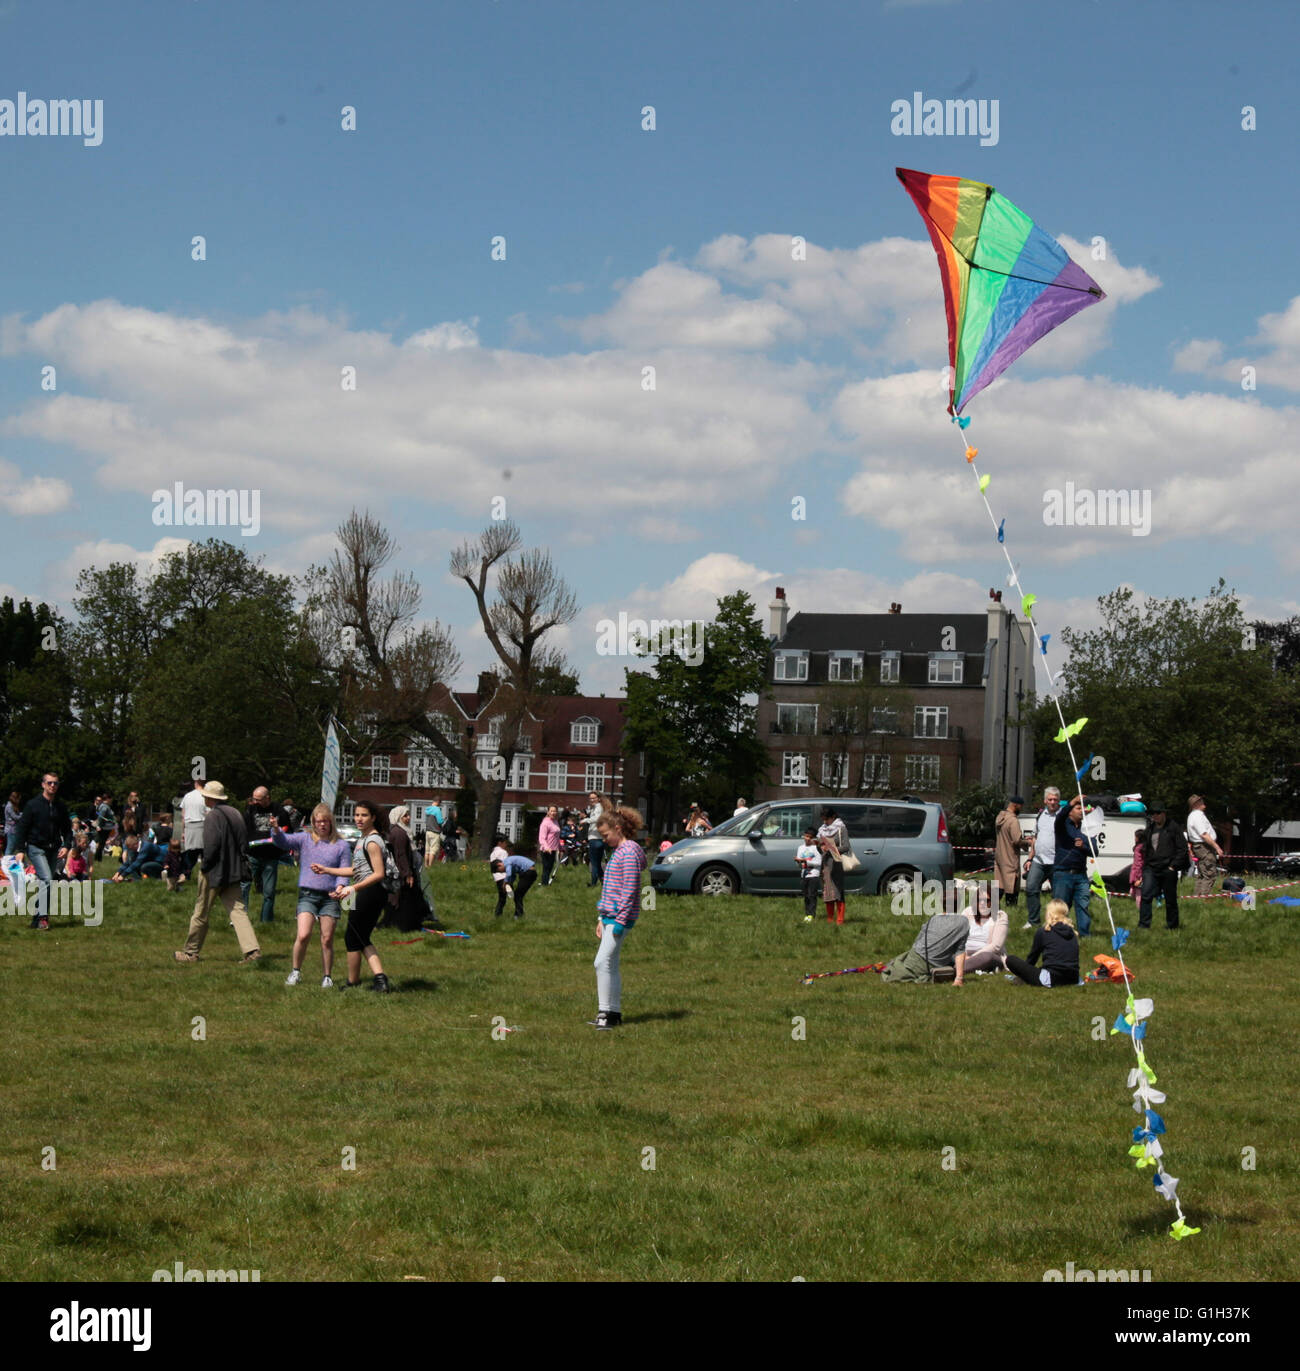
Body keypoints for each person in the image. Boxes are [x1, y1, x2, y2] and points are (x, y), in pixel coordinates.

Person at [174, 781, 260, 964]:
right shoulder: (236, 813)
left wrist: (204, 867)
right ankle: (252, 951)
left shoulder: (213, 816)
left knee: (201, 911)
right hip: (234, 871)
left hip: (214, 873)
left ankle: (190, 952)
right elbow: (243, 842)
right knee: (238, 911)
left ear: (210, 797)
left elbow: (211, 846)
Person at [269, 803, 353, 986]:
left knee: (327, 938)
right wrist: (275, 829)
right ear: (313, 823)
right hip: (307, 894)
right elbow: (283, 841)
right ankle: (295, 972)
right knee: (304, 934)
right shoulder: (305, 839)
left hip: (330, 896)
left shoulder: (341, 845)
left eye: (325, 821)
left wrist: (340, 887)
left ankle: (327, 977)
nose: (322, 825)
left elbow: (345, 870)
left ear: (331, 823)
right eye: (318, 821)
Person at [316, 800, 391, 992]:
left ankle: (353, 982)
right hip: (366, 891)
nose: (359, 818)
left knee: (352, 937)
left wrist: (353, 889)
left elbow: (378, 873)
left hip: (371, 892)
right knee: (361, 936)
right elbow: (357, 870)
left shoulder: (373, 841)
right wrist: (328, 870)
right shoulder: (364, 839)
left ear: (373, 818)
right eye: (357, 814)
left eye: (364, 815)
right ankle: (380, 979)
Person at [588, 805, 648, 1029]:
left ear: (618, 828)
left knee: (601, 962)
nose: (604, 840)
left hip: (619, 918)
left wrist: (620, 921)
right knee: (609, 964)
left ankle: (606, 1012)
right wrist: (600, 918)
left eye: (606, 835)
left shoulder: (629, 852)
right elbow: (610, 890)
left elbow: (630, 890)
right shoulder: (618, 852)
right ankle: (612, 1013)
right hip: (609, 916)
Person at [13, 771, 73, 929]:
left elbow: (68, 829)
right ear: (43, 784)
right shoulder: (33, 805)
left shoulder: (60, 806)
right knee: (46, 879)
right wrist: (20, 849)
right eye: (49, 783)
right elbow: (22, 828)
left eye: (55, 783)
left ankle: (36, 918)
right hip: (36, 848)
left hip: (54, 849)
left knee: (48, 883)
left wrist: (66, 845)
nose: (52, 786)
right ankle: (43, 918)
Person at [242, 785, 292, 924]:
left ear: (267, 798)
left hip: (271, 857)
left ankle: (266, 922)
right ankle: (240, 920)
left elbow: (287, 831)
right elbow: (245, 830)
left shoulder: (279, 811)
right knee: (244, 887)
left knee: (269, 892)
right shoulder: (250, 810)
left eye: (258, 799)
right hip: (252, 855)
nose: (255, 802)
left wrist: (275, 837)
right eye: (254, 799)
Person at [881, 906, 968, 984]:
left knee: (893, 971)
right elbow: (960, 950)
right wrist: (959, 978)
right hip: (935, 962)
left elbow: (919, 939)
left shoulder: (934, 918)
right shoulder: (963, 921)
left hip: (919, 957)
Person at [1005, 899, 1081, 987]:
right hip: (1073, 978)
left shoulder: (1044, 931)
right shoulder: (1072, 932)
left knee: (1010, 960)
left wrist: (1024, 973)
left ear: (1049, 914)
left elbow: (1033, 957)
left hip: (1053, 978)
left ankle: (1022, 979)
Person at [1137, 802, 1188, 931]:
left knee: (1170, 899)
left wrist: (1173, 866)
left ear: (1164, 813)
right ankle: (1143, 925)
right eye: (1153, 813)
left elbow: (1182, 849)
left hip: (1168, 869)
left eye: (1158, 813)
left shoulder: (1174, 828)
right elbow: (1144, 847)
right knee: (1146, 895)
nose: (1155, 816)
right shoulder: (1150, 828)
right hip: (1151, 868)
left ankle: (1172, 926)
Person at [381, 805, 428, 933]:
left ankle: (392, 924)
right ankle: (405, 925)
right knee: (404, 900)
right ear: (398, 817)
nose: (408, 818)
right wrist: (408, 874)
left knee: (396, 900)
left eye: (408, 815)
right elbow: (401, 855)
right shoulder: (400, 833)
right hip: (402, 873)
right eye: (405, 816)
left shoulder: (395, 831)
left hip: (396, 873)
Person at [1050, 795, 1092, 936]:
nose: (1081, 811)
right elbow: (1060, 815)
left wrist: (1083, 847)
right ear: (1070, 811)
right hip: (1063, 873)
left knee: (1083, 905)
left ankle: (1085, 934)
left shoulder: (1087, 828)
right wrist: (1072, 802)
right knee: (1061, 907)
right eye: (1078, 808)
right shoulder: (1062, 825)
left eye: (1082, 808)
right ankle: (1058, 933)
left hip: (1081, 875)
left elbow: (1095, 851)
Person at [1022, 786, 1062, 929]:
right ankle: (1033, 921)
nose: (1052, 802)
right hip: (1039, 860)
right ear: (1045, 801)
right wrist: (1029, 859)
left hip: (1057, 862)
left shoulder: (1063, 816)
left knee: (1057, 896)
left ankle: (1056, 923)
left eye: (1055, 800)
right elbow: (1035, 839)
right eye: (1050, 799)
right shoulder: (1040, 816)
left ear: (1059, 801)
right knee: (1031, 888)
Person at [960, 883, 1010, 974]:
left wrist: (972, 958)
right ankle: (959, 965)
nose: (982, 903)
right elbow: (958, 937)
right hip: (965, 955)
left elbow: (996, 946)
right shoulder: (967, 912)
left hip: (988, 955)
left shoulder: (1000, 916)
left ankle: (956, 969)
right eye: (979, 900)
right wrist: (963, 955)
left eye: (987, 900)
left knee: (987, 957)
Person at [1186, 795, 1225, 898]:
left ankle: (1197, 898)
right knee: (1209, 873)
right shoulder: (1197, 816)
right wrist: (1217, 847)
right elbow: (1203, 834)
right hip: (1204, 847)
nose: (1203, 801)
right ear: (1195, 804)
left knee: (1202, 874)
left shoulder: (1194, 815)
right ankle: (1203, 898)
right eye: (1200, 800)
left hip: (1201, 847)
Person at [994, 795, 1029, 909]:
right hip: (1010, 856)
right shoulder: (1013, 820)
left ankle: (992, 907)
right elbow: (1016, 840)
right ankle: (1011, 908)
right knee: (1012, 883)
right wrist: (1029, 842)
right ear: (1016, 805)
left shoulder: (1000, 818)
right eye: (1021, 806)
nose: (1021, 809)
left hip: (1000, 856)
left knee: (1000, 884)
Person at [818, 806, 850, 925]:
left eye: (827, 819)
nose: (825, 822)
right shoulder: (822, 829)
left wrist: (830, 848)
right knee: (827, 891)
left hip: (837, 864)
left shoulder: (841, 828)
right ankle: (830, 918)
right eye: (823, 820)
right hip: (825, 864)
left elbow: (846, 846)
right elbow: (819, 846)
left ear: (833, 817)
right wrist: (819, 845)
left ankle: (840, 919)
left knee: (837, 891)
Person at [493, 849, 537, 919]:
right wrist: (509, 885)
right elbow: (513, 876)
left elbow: (509, 873)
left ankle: (518, 915)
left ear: (499, 865)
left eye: (500, 871)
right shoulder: (509, 863)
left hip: (529, 873)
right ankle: (519, 914)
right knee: (518, 895)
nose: (502, 872)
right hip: (527, 873)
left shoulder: (507, 862)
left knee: (518, 895)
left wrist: (505, 882)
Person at [794, 826, 823, 920]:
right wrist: (798, 862)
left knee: (812, 895)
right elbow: (799, 864)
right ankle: (807, 914)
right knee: (806, 895)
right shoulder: (800, 848)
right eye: (806, 836)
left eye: (810, 837)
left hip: (813, 874)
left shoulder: (816, 848)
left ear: (813, 838)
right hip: (804, 874)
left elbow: (819, 862)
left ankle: (811, 914)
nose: (807, 839)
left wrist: (806, 861)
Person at [181, 778, 207, 876]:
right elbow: (208, 813)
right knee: (205, 854)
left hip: (189, 827)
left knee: (190, 855)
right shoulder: (206, 795)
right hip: (202, 826)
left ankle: (185, 875)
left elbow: (183, 815)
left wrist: (183, 832)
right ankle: (206, 875)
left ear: (195, 783)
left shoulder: (187, 796)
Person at [585, 792, 607, 886]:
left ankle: (593, 883)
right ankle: (604, 882)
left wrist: (585, 820)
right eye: (590, 798)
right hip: (598, 838)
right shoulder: (596, 808)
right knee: (597, 863)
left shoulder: (598, 807)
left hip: (595, 838)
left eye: (594, 798)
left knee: (594, 863)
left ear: (598, 798)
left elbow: (597, 819)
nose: (592, 800)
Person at [538, 805, 561, 885]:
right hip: (546, 850)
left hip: (554, 849)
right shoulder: (545, 823)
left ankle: (545, 883)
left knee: (550, 868)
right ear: (548, 812)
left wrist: (560, 847)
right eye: (551, 811)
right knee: (546, 868)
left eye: (555, 811)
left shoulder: (556, 821)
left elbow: (557, 837)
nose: (553, 813)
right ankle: (544, 885)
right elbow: (542, 838)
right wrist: (547, 848)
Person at [424, 798, 445, 864]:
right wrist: (443, 819)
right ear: (438, 802)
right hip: (434, 832)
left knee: (427, 850)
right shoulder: (437, 809)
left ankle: (426, 865)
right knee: (433, 850)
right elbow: (440, 821)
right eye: (440, 803)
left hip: (428, 832)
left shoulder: (427, 809)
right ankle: (430, 866)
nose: (440, 805)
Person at [1129, 828, 1146, 903]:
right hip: (1136, 875)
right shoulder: (1139, 848)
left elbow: (1139, 864)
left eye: (1136, 836)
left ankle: (1140, 911)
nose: (1134, 838)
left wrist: (1137, 879)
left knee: (1138, 895)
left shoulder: (1140, 849)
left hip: (1139, 876)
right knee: (1133, 893)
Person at [4, 789, 22, 856]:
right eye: (19, 799)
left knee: (13, 848)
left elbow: (17, 815)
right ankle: (5, 863)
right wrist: (24, 815)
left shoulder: (12, 806)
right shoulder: (9, 806)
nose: (19, 801)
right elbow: (15, 817)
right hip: (11, 831)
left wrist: (21, 814)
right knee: (10, 849)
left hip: (14, 830)